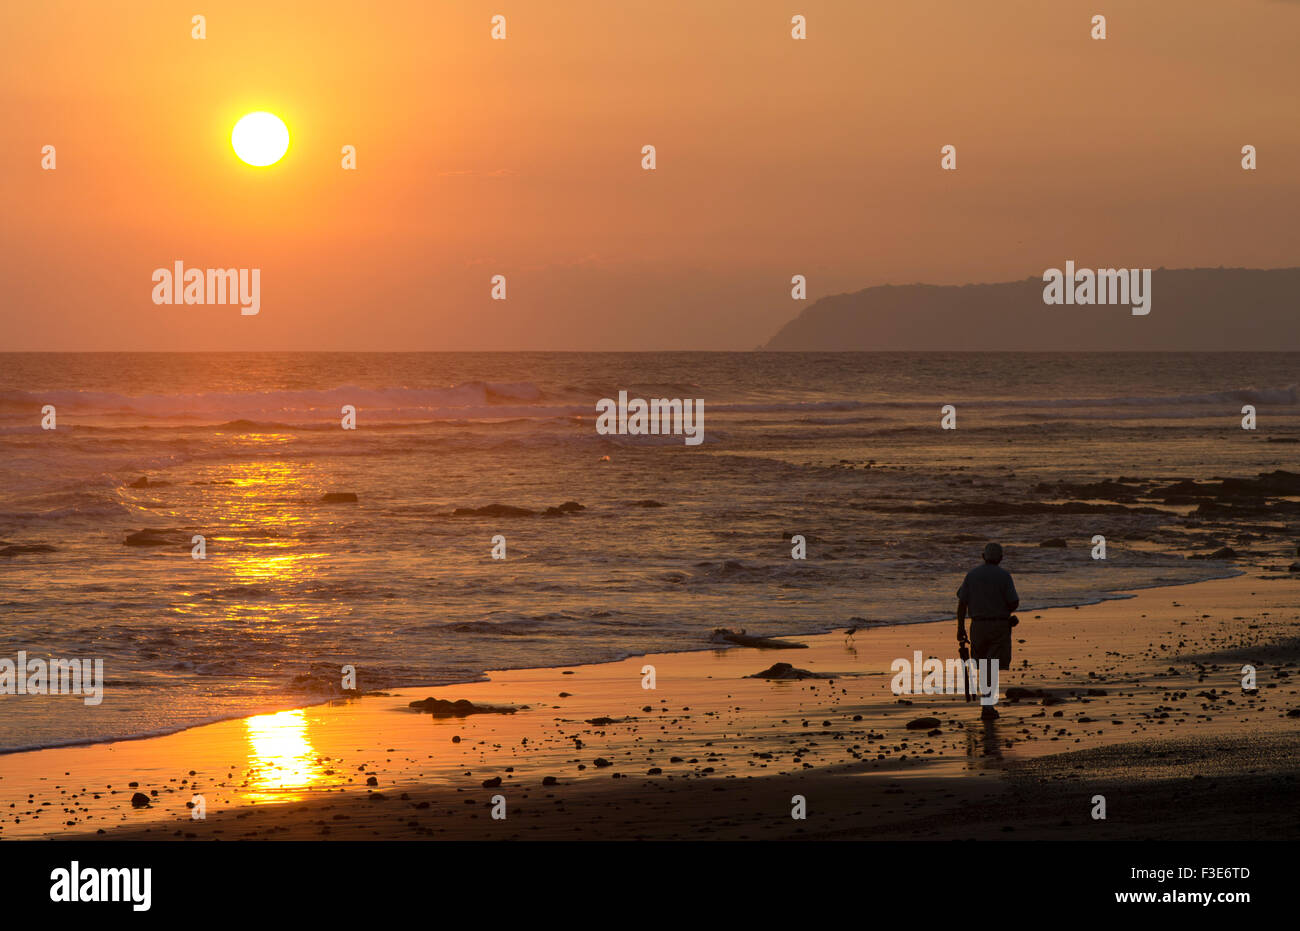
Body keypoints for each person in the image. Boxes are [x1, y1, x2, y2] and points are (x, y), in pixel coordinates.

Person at [956, 542, 1019, 720]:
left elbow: (962, 604)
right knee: (992, 666)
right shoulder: (1004, 576)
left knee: (984, 666)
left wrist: (960, 628)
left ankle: (987, 704)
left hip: (978, 626)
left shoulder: (972, 575)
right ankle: (987, 706)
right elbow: (1013, 602)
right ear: (1000, 558)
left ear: (983, 556)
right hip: (998, 625)